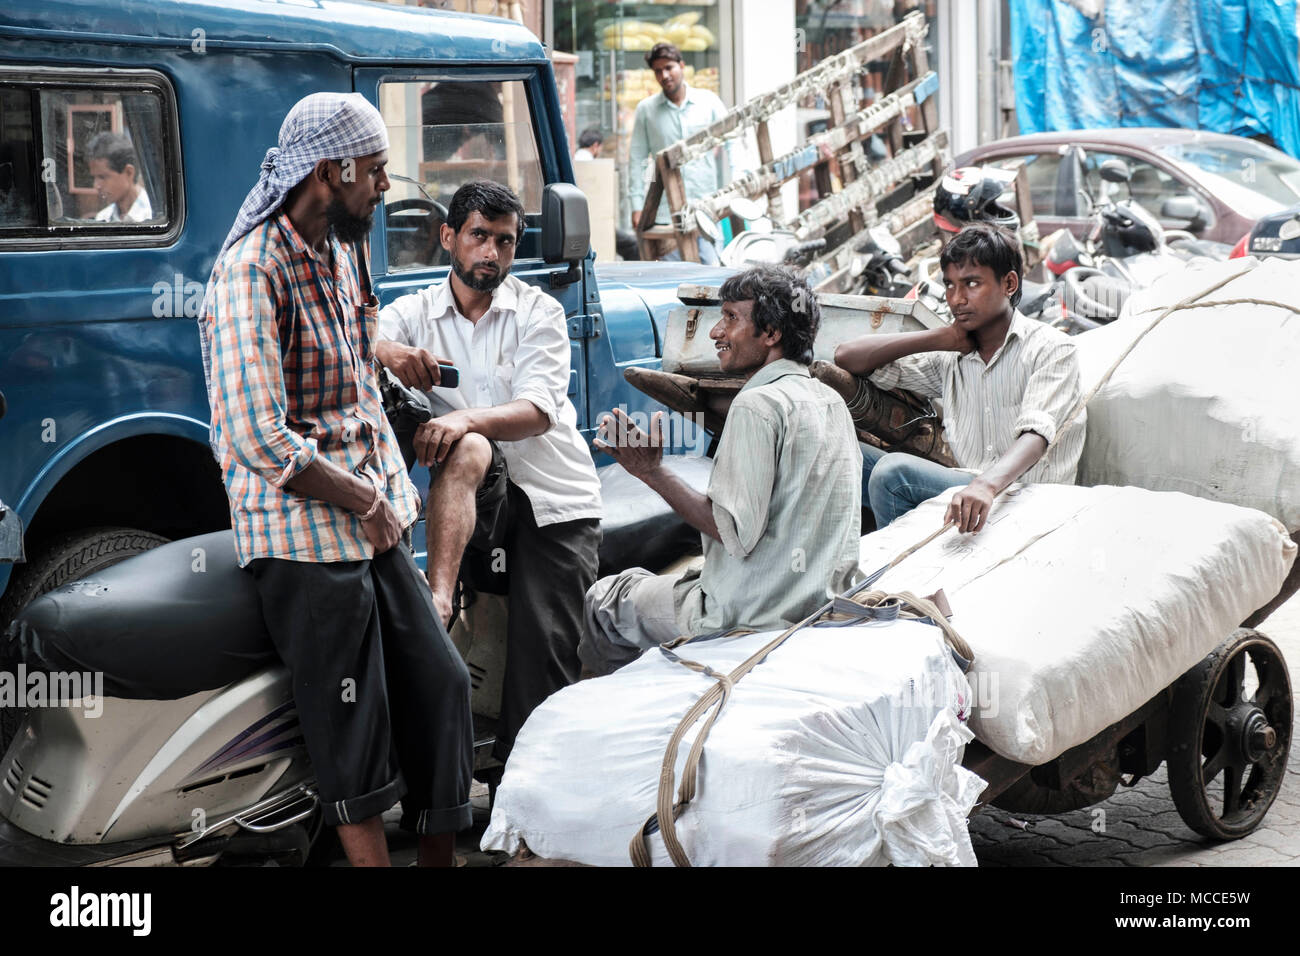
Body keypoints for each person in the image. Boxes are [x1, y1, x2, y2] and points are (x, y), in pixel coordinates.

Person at [200, 92, 472, 868]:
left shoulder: (342, 247)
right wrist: (366, 499)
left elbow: (359, 354)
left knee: (443, 685)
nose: (386, 186)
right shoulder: (250, 272)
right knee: (353, 714)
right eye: (378, 171)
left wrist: (392, 468)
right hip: (300, 528)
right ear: (333, 168)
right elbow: (259, 438)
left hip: (372, 508)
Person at [375, 180, 602, 775]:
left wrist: (461, 418)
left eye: (505, 241)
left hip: (552, 500)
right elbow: (358, 337)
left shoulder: (539, 312)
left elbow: (536, 412)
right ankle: (439, 602)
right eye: (479, 236)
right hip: (475, 491)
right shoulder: (415, 313)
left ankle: (530, 812)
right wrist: (392, 354)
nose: (492, 253)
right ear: (449, 237)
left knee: (545, 659)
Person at [580, 265, 861, 675]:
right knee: (662, 579)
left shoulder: (756, 405)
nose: (716, 332)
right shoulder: (831, 401)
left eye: (730, 318)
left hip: (748, 614)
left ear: (771, 334)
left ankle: (610, 719)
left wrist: (651, 471)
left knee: (606, 599)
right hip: (819, 603)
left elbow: (730, 531)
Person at [834, 223, 1086, 534]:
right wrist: (942, 337)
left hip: (1025, 495)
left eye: (971, 284)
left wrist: (985, 486)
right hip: (970, 489)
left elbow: (1036, 436)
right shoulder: (950, 356)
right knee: (847, 455)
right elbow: (847, 356)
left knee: (892, 472)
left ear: (1009, 284)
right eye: (950, 285)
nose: (957, 299)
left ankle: (899, 575)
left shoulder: (1051, 348)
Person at [626, 42, 731, 265]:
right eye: (658, 71)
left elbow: (733, 140)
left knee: (712, 274)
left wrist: (736, 184)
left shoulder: (708, 102)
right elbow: (639, 160)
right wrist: (637, 205)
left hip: (706, 207)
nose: (664, 75)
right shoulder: (647, 109)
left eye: (669, 67)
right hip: (665, 215)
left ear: (682, 66)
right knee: (673, 282)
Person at [87, 132, 153, 222]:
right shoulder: (103, 218)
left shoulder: (153, 216)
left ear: (129, 172)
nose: (96, 186)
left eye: (102, 177)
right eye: (94, 178)